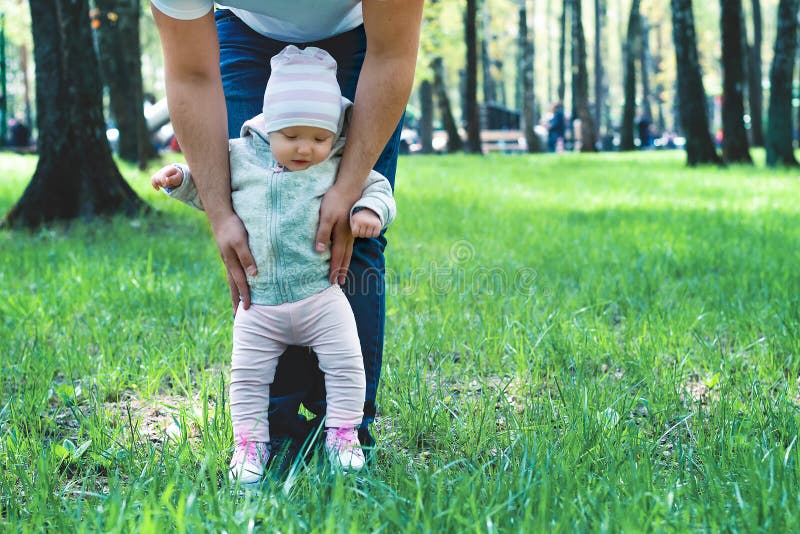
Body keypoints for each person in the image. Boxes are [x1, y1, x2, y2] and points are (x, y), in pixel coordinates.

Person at [149, 1, 423, 458]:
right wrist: (221, 213)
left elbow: (392, 54)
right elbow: (191, 76)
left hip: (363, 39)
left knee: (351, 236)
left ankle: (344, 429)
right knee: (256, 231)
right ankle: (271, 432)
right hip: (245, 36)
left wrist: (347, 189)